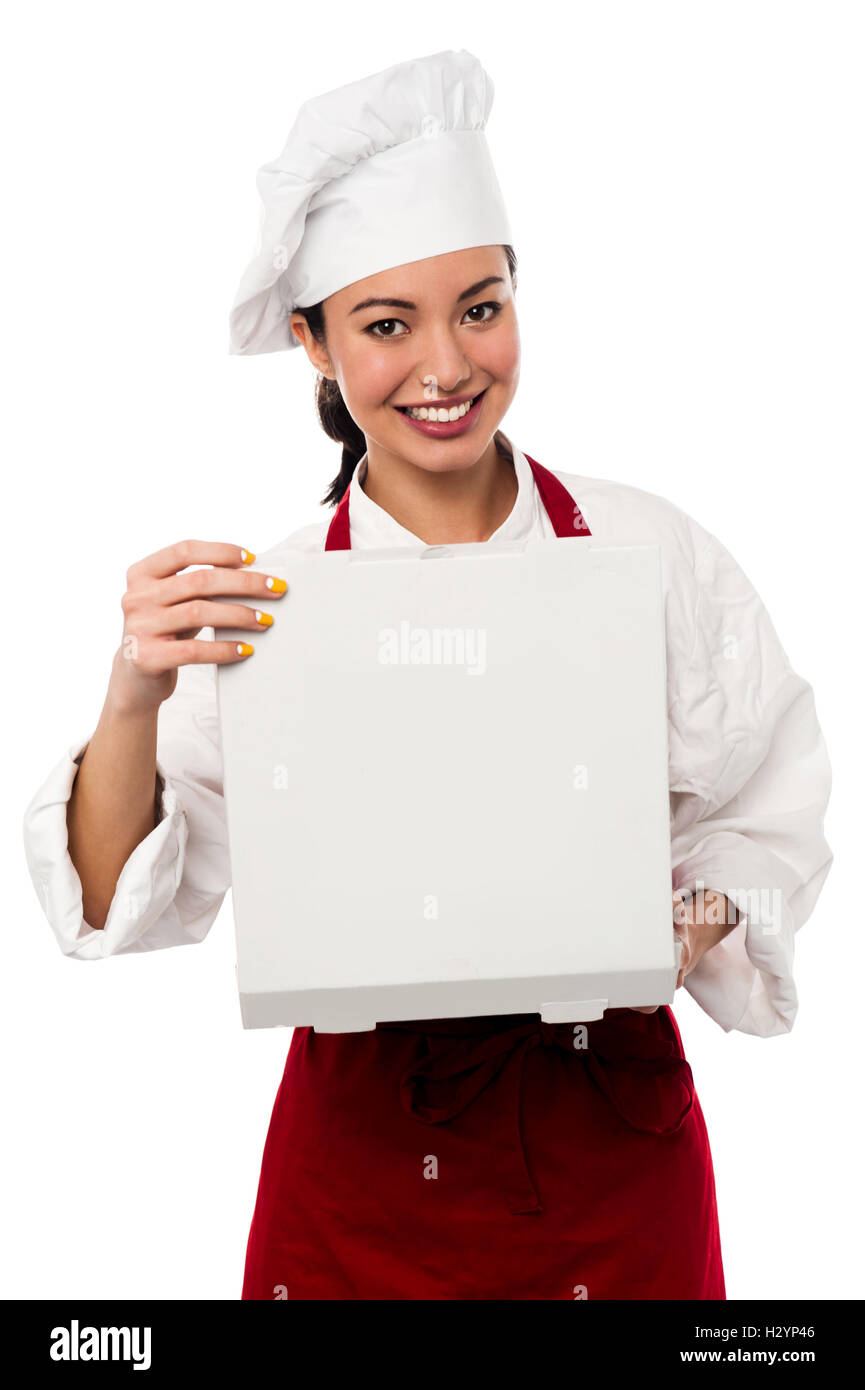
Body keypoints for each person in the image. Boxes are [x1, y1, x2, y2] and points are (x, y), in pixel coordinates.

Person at [22, 50, 833, 1301]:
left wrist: (676, 934)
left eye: (481, 306)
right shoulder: (271, 602)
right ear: (312, 345)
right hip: (359, 1164)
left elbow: (768, 814)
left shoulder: (645, 550)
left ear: (518, 297)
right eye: (386, 326)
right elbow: (105, 898)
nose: (446, 367)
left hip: (604, 1140)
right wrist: (135, 686)